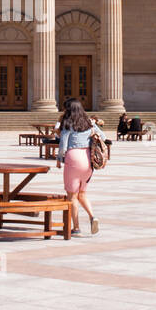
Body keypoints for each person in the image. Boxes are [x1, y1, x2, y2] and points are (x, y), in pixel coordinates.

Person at [56, 98, 102, 234]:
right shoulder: (89, 123)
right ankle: (93, 217)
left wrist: (59, 159)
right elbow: (103, 137)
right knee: (82, 193)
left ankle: (76, 227)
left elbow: (63, 144)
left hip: (73, 158)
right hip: (88, 160)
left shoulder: (68, 123)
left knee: (72, 195)